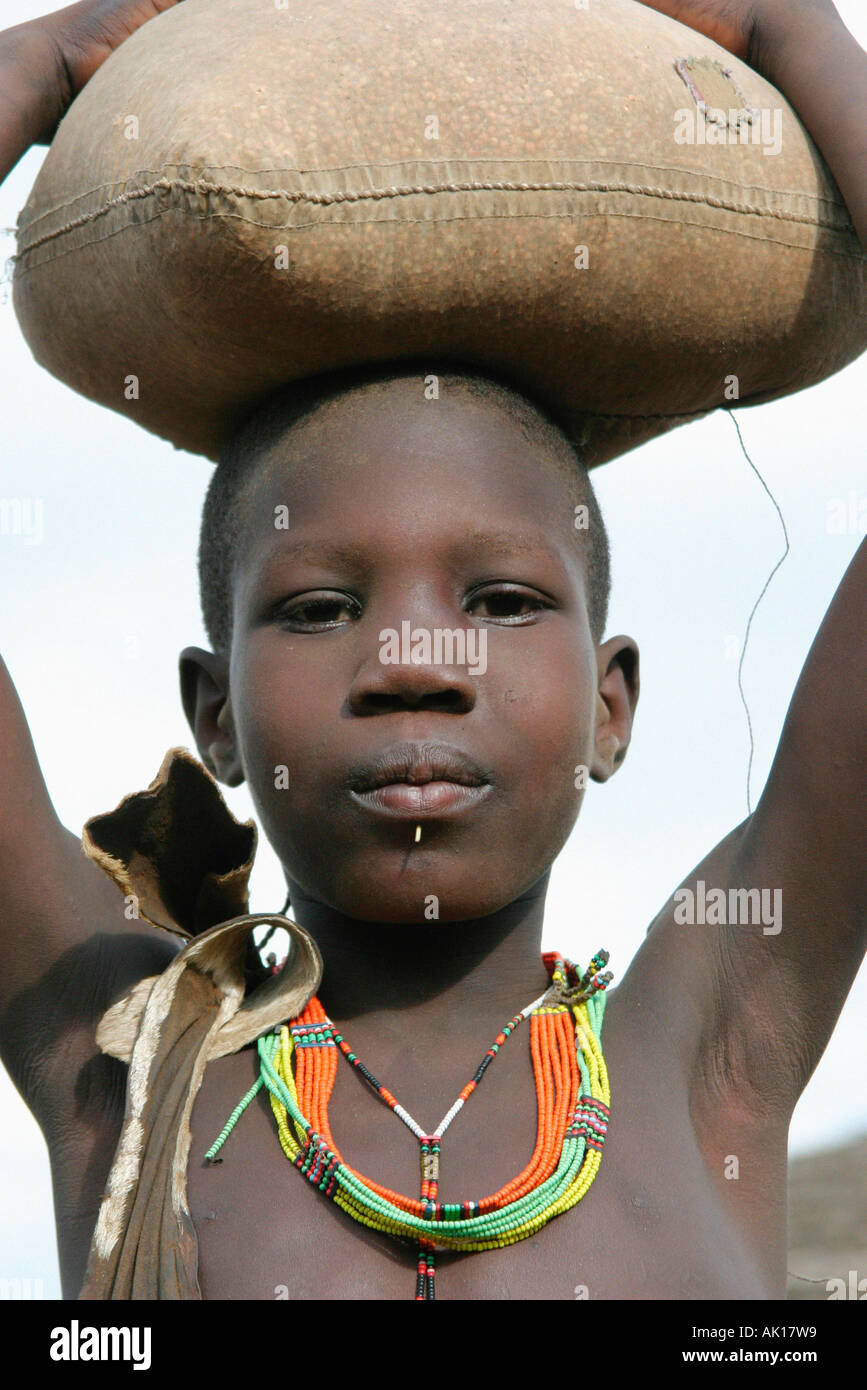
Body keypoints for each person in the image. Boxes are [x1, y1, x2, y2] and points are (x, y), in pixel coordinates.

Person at [0, 0, 864, 1301]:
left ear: (613, 704)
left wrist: (787, 26)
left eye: (505, 600)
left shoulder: (717, 1043)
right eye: (318, 607)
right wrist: (36, 64)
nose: (413, 657)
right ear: (216, 714)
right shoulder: (122, 1063)